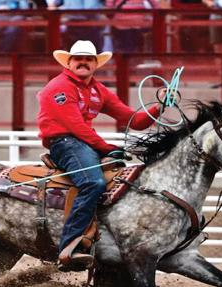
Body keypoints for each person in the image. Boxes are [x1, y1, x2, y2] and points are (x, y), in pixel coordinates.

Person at [37, 39, 174, 269]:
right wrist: (106, 147)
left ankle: (107, 245)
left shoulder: (97, 90)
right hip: (65, 142)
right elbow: (75, 126)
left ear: (95, 64)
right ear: (69, 63)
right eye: (78, 59)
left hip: (83, 143)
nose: (83, 62)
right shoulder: (59, 87)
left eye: (88, 59)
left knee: (121, 181)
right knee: (92, 182)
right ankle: (70, 246)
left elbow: (134, 120)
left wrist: (158, 107)